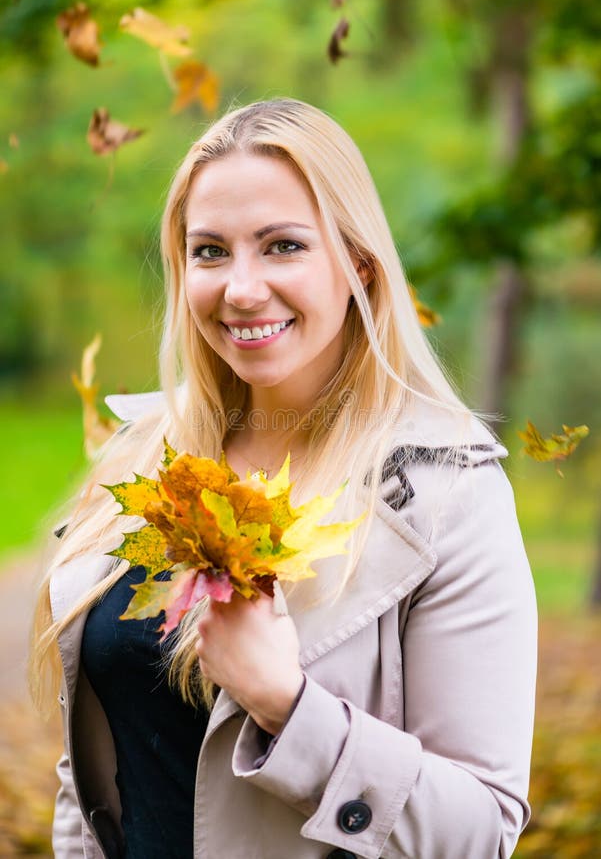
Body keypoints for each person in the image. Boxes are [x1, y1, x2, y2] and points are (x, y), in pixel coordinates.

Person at [31, 97, 537, 859]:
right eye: (209, 252)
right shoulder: (147, 461)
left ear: (358, 266)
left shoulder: (445, 496)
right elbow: (93, 777)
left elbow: (479, 833)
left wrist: (287, 707)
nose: (240, 288)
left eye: (282, 246)